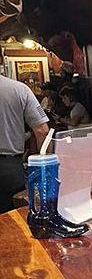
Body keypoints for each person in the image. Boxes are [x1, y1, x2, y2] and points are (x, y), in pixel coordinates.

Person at [0, 72, 50, 214]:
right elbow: (42, 130)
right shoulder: (20, 90)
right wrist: (45, 169)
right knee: (12, 221)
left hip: (8, 167)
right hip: (8, 169)